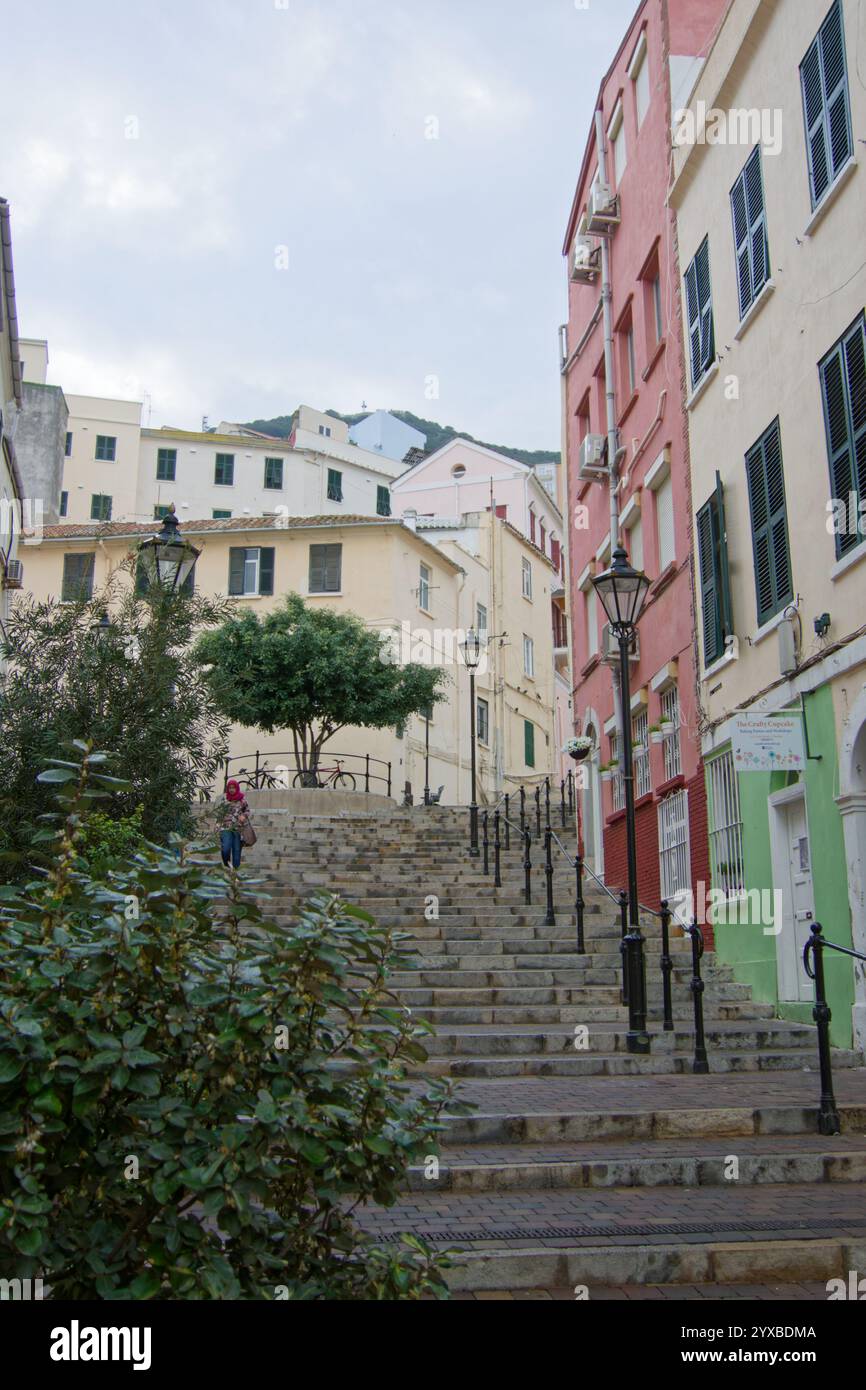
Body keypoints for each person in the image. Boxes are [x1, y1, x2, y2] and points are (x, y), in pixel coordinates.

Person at [219, 780, 251, 870]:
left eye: (233, 788)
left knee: (236, 853)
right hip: (225, 828)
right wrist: (217, 825)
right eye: (230, 788)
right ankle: (227, 866)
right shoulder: (224, 800)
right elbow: (219, 813)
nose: (231, 790)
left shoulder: (242, 800)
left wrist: (244, 816)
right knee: (225, 849)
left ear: (237, 788)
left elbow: (247, 811)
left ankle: (235, 874)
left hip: (238, 829)